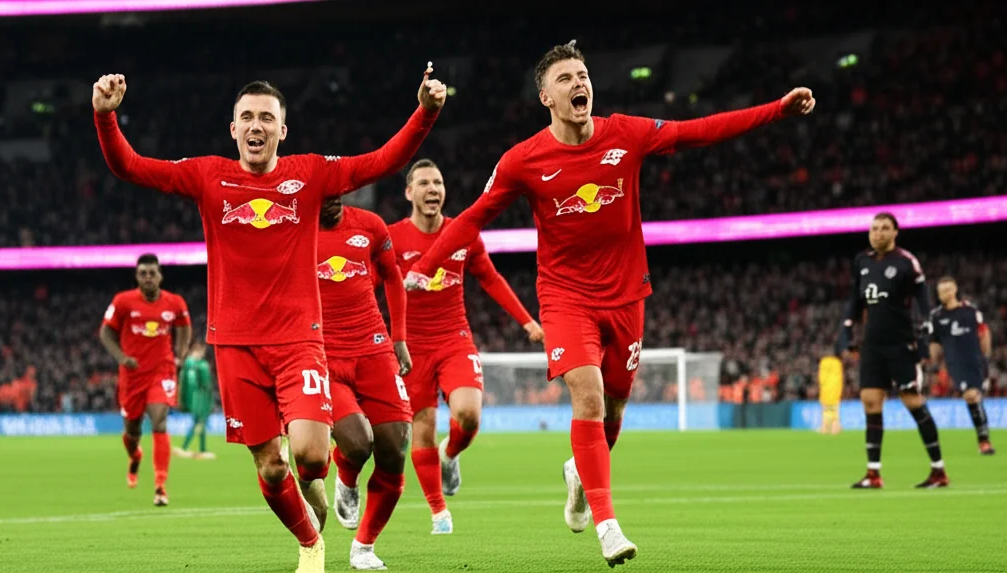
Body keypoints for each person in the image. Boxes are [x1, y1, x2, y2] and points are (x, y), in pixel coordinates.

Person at [404, 40, 815, 565]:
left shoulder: (628, 133)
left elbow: (702, 130)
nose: (580, 83)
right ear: (545, 97)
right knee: (590, 399)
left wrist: (776, 110)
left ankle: (578, 474)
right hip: (564, 298)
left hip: (626, 297)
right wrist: (425, 265)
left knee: (615, 408)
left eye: (584, 74)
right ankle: (608, 526)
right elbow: (473, 218)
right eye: (566, 78)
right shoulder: (523, 160)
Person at [92, 68, 445, 573]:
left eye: (267, 118)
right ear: (233, 129)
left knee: (310, 454)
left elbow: (382, 161)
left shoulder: (310, 174)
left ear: (283, 130)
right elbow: (131, 166)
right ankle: (309, 544)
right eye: (247, 118)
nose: (256, 125)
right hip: (234, 344)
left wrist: (426, 111)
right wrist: (106, 117)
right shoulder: (207, 174)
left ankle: (319, 484)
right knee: (271, 463)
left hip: (300, 339)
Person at [390, 158, 543, 534]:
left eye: (438, 183)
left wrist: (527, 321)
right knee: (421, 429)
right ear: (409, 193)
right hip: (412, 347)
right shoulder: (393, 238)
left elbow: (490, 279)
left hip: (454, 338)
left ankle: (450, 454)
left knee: (469, 415)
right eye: (424, 183)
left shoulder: (464, 232)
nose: (433, 189)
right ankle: (439, 513)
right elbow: (372, 288)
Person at [317, 197, 413, 570]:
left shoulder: (371, 225)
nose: (334, 197)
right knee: (358, 443)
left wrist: (399, 337)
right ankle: (347, 474)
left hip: (373, 348)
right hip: (322, 353)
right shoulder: (296, 228)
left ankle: (365, 546)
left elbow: (392, 276)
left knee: (394, 449)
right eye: (325, 192)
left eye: (340, 189)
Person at [837, 213, 949, 489]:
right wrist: (846, 331)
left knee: (912, 401)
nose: (878, 233)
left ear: (895, 232)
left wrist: (926, 337)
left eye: (885, 228)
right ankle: (873, 473)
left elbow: (925, 304)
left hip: (901, 343)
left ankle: (938, 470)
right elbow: (855, 299)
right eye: (874, 228)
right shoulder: (861, 261)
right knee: (871, 402)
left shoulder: (906, 263)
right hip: (872, 344)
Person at [99, 253, 192, 506]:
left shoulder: (174, 303)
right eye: (143, 273)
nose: (148, 277)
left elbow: (185, 326)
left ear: (160, 275)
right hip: (132, 375)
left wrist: (180, 355)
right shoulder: (123, 302)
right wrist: (121, 357)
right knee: (132, 430)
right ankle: (135, 454)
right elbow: (105, 332)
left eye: (152, 273)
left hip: (162, 371)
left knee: (159, 421)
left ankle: (160, 486)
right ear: (136, 277)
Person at [928, 276, 996, 455]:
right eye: (941, 291)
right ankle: (984, 439)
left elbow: (984, 333)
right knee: (972, 396)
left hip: (974, 359)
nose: (945, 294)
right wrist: (930, 361)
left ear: (955, 290)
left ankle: (984, 441)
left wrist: (986, 356)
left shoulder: (970, 311)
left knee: (972, 396)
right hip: (954, 363)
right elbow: (935, 342)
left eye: (948, 290)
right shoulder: (937, 316)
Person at [175, 340, 216, 460]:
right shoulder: (201, 365)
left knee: (200, 424)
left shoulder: (187, 365)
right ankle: (185, 447)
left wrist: (183, 400)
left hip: (192, 398)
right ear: (198, 351)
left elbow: (185, 383)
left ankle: (202, 449)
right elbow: (206, 383)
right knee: (198, 423)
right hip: (201, 399)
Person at [818, 351, 844, 434]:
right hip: (836, 390)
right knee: (834, 409)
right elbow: (841, 377)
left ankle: (825, 427)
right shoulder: (837, 363)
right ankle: (835, 427)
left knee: (826, 409)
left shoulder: (824, 363)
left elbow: (821, 378)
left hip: (826, 390)